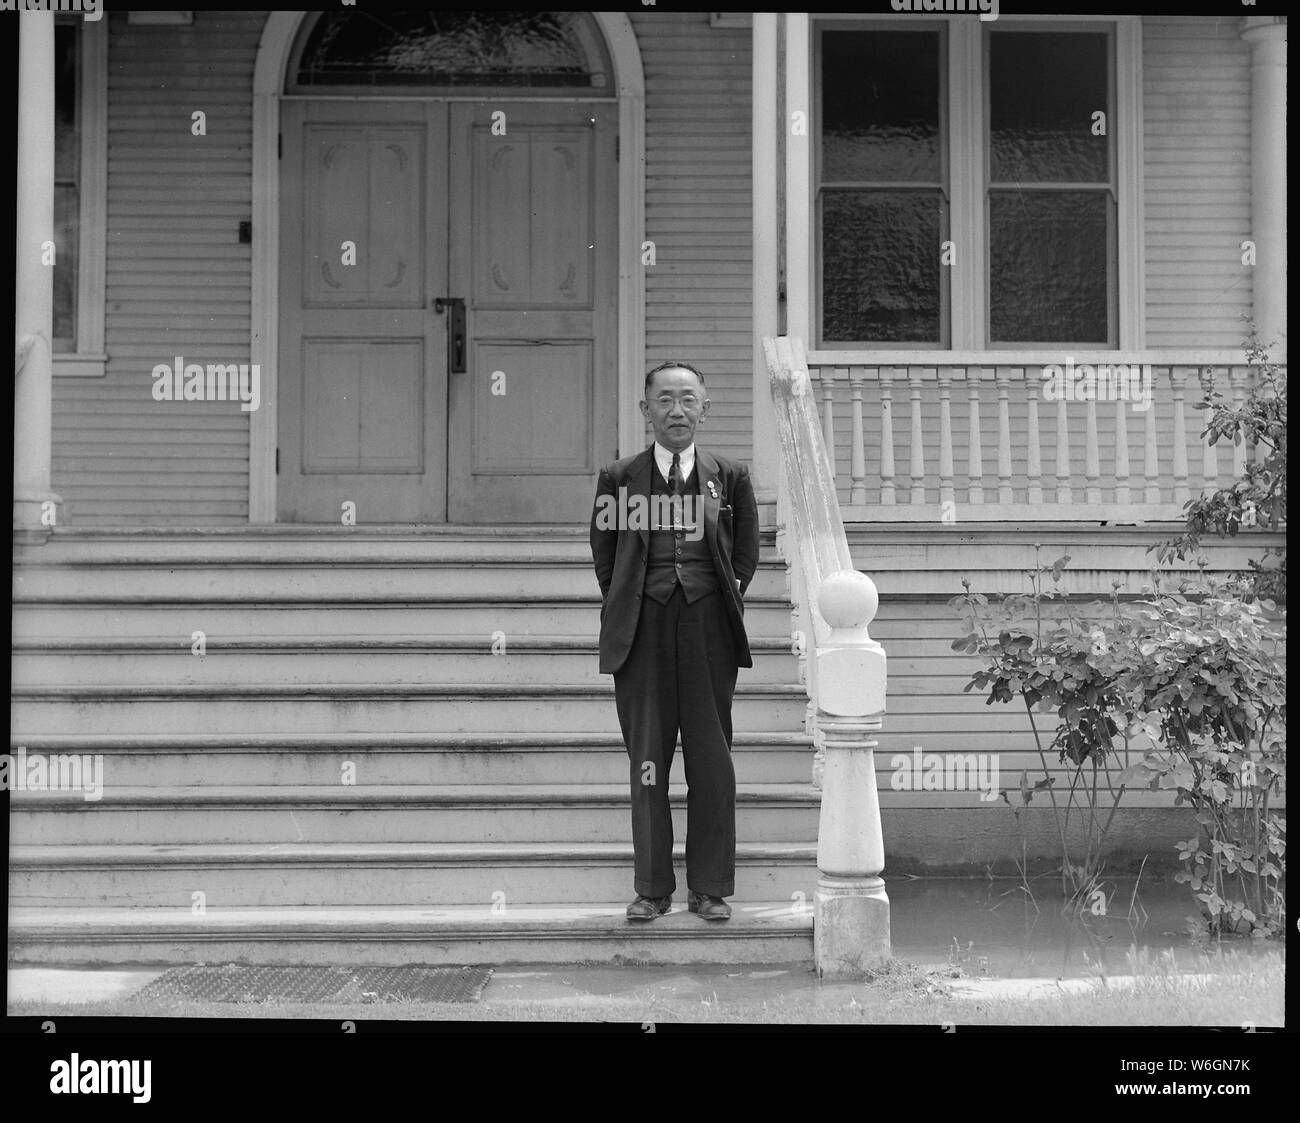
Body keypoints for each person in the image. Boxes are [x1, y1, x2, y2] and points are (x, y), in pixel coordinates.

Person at [589, 360, 760, 921]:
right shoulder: (619, 478)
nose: (677, 410)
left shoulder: (729, 477)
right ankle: (652, 889)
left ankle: (709, 889)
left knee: (711, 761)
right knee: (649, 763)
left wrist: (713, 596)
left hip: (707, 629)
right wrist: (636, 599)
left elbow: (745, 557)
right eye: (665, 399)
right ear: (647, 410)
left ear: (704, 409)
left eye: (688, 399)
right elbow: (606, 558)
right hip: (643, 633)